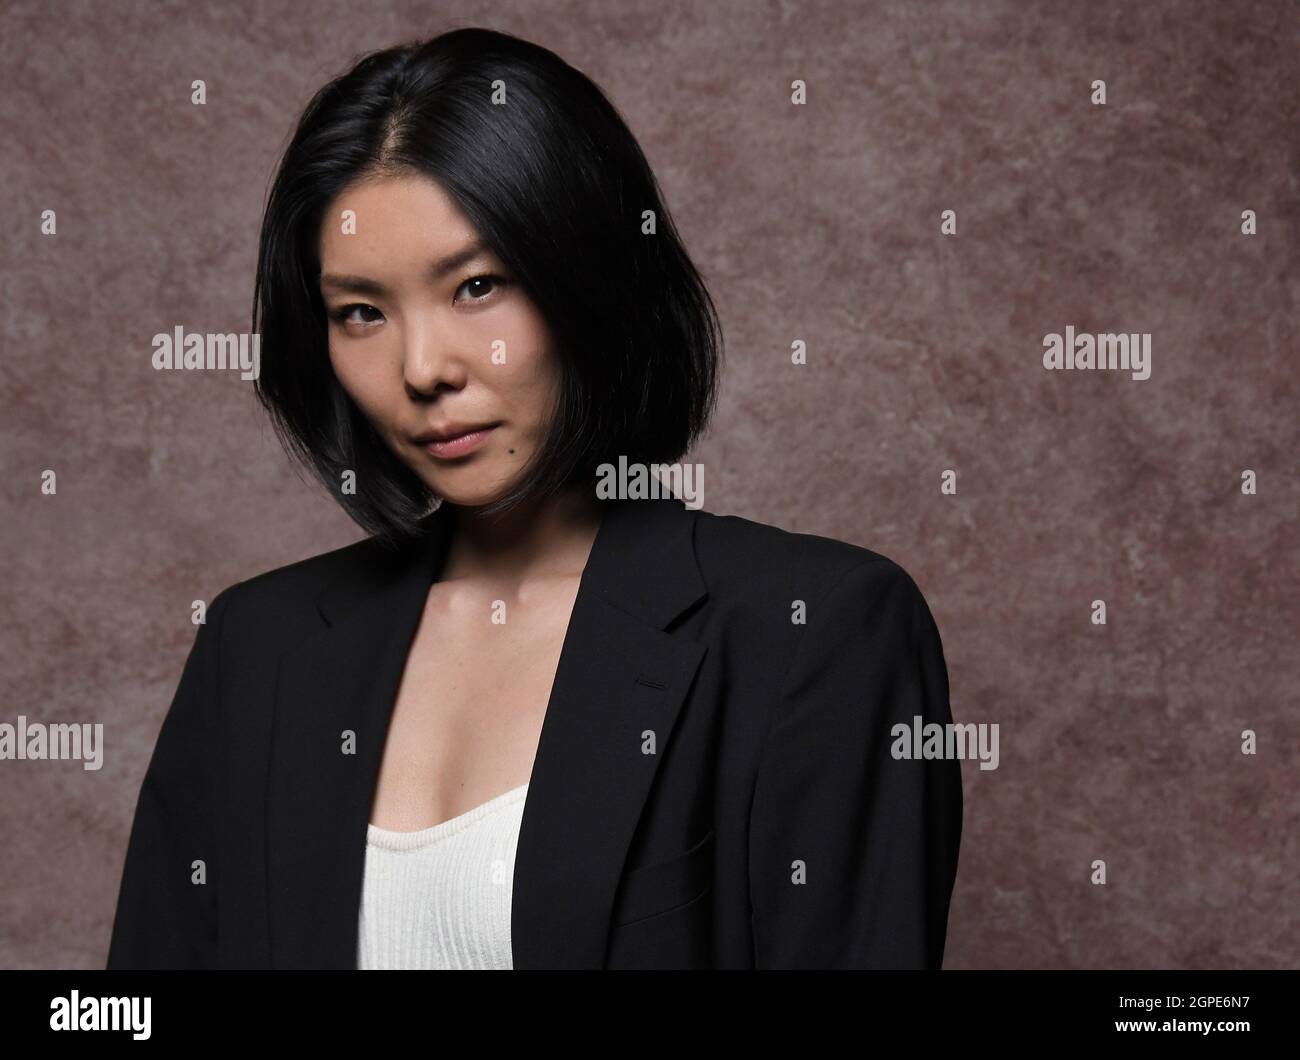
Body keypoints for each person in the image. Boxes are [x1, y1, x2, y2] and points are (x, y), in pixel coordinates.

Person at [106, 26, 962, 970]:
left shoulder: (814, 632)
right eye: (362, 312)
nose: (423, 369)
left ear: (588, 278)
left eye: (477, 286)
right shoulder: (255, 649)